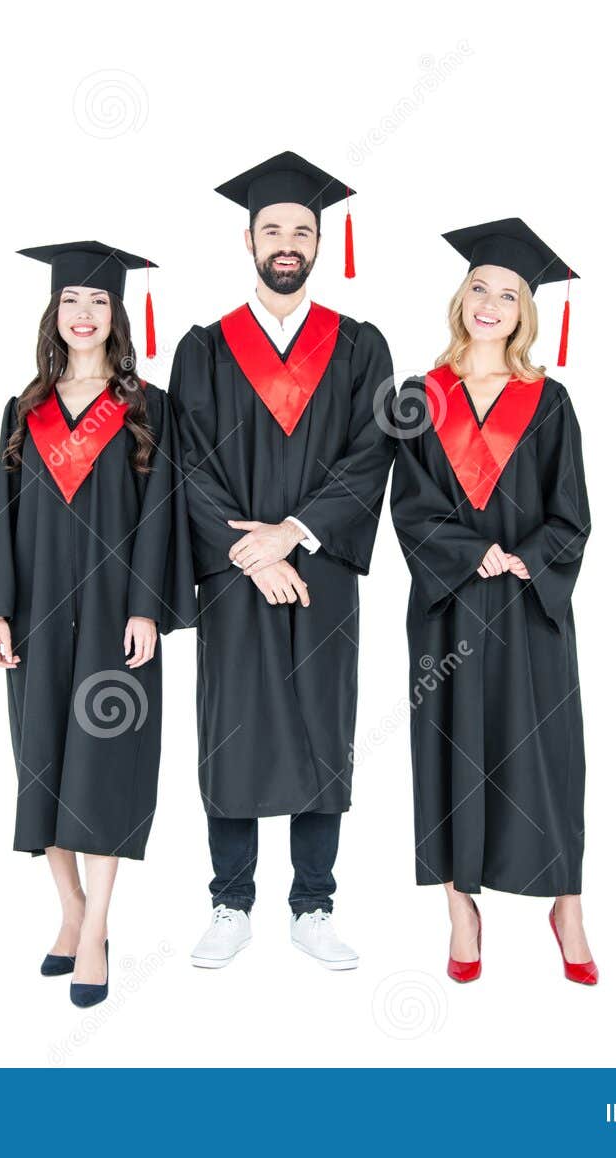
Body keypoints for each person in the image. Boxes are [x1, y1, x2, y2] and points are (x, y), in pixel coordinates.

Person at [169, 151, 396, 971]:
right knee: (233, 727)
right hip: (236, 573)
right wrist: (250, 551)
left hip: (319, 568)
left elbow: (373, 452)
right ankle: (230, 903)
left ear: (321, 241)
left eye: (302, 229)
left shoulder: (360, 346)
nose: (287, 243)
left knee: (320, 726)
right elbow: (187, 463)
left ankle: (314, 905)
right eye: (273, 230)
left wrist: (293, 532)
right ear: (249, 240)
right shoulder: (203, 349)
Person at [0, 241, 196, 1007]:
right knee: (42, 764)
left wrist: (146, 607)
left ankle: (95, 928)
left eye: (99, 301)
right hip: (36, 614)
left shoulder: (148, 408)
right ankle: (69, 908)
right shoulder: (24, 409)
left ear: (119, 314)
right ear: (53, 312)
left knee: (103, 769)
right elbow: (2, 516)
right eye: (71, 300)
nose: (84, 313)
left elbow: (162, 513)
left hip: (113, 615)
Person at [388, 217, 598, 986]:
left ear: (525, 312)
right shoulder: (420, 398)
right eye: (480, 287)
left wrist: (527, 558)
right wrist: (469, 551)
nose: (490, 304)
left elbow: (571, 513)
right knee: (448, 752)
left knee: (549, 756)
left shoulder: (549, 401)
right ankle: (460, 910)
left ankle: (566, 906)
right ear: (461, 297)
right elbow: (409, 507)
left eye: (508, 295)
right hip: (448, 609)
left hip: (528, 608)